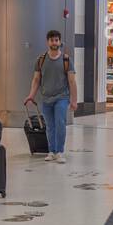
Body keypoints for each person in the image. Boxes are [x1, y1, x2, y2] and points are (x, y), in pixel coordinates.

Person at [22, 30, 77, 164]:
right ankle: (51, 151)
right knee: (50, 126)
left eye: (57, 40)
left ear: (60, 42)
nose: (54, 43)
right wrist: (31, 95)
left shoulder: (66, 60)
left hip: (62, 97)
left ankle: (60, 151)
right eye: (52, 40)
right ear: (48, 42)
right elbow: (36, 80)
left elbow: (72, 81)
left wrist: (73, 100)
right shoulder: (41, 60)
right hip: (46, 98)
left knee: (60, 124)